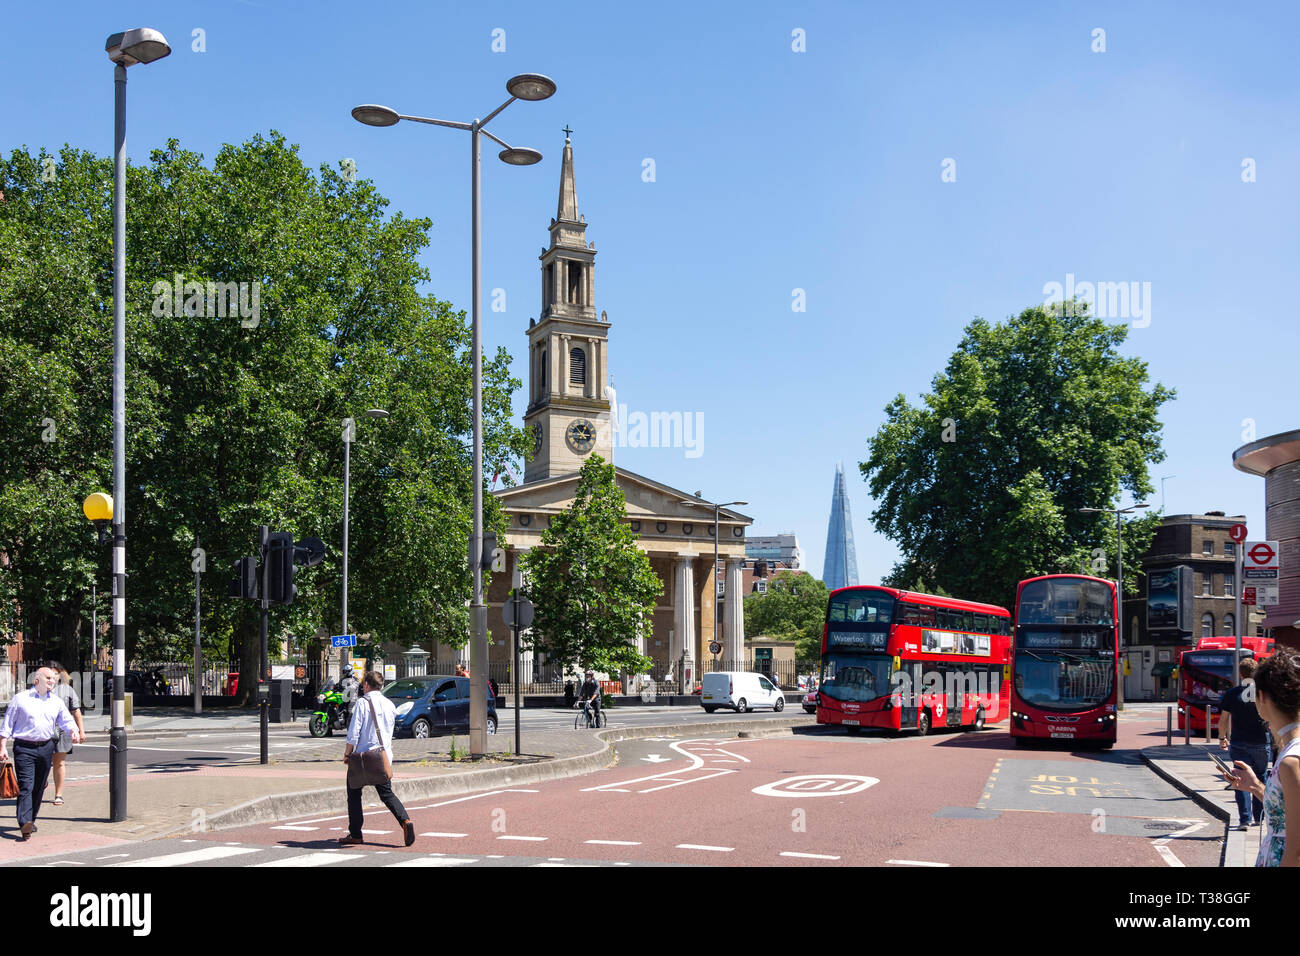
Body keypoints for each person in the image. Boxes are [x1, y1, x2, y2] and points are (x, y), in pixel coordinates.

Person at [1222, 647, 1300, 867]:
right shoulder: (1289, 751)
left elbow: (1297, 851)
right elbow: (1288, 811)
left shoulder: (1292, 760)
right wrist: (1256, 786)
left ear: (1262, 696)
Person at [0, 667, 81, 840]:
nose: (53, 681)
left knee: (39, 786)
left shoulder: (56, 701)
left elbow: (66, 720)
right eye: (49, 678)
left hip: (46, 747)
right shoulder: (20, 699)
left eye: (54, 678)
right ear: (37, 680)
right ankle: (24, 822)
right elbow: (7, 723)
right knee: (26, 786)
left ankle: (31, 820)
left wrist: (73, 730)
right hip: (24, 748)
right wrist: (2, 746)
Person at [340, 671, 414, 848]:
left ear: (366, 684)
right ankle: (405, 821)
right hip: (383, 757)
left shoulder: (362, 703)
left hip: (363, 758)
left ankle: (356, 834)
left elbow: (353, 733)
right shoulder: (389, 704)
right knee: (386, 793)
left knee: (354, 792)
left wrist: (347, 754)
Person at [1218, 657, 1270, 829]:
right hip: (1260, 741)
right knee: (1260, 777)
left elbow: (1224, 719)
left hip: (1239, 742)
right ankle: (1259, 818)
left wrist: (1222, 738)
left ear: (1241, 674)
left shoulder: (1232, 694)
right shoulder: (1262, 694)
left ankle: (1244, 820)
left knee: (1240, 779)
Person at [48, 664, 85, 807]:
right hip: (43, 732)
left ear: (60, 675)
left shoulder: (67, 690)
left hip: (62, 732)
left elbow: (76, 711)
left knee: (59, 763)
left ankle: (58, 794)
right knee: (43, 763)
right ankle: (41, 783)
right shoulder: (37, 691)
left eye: (56, 673)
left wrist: (81, 730)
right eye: (49, 674)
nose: (52, 677)